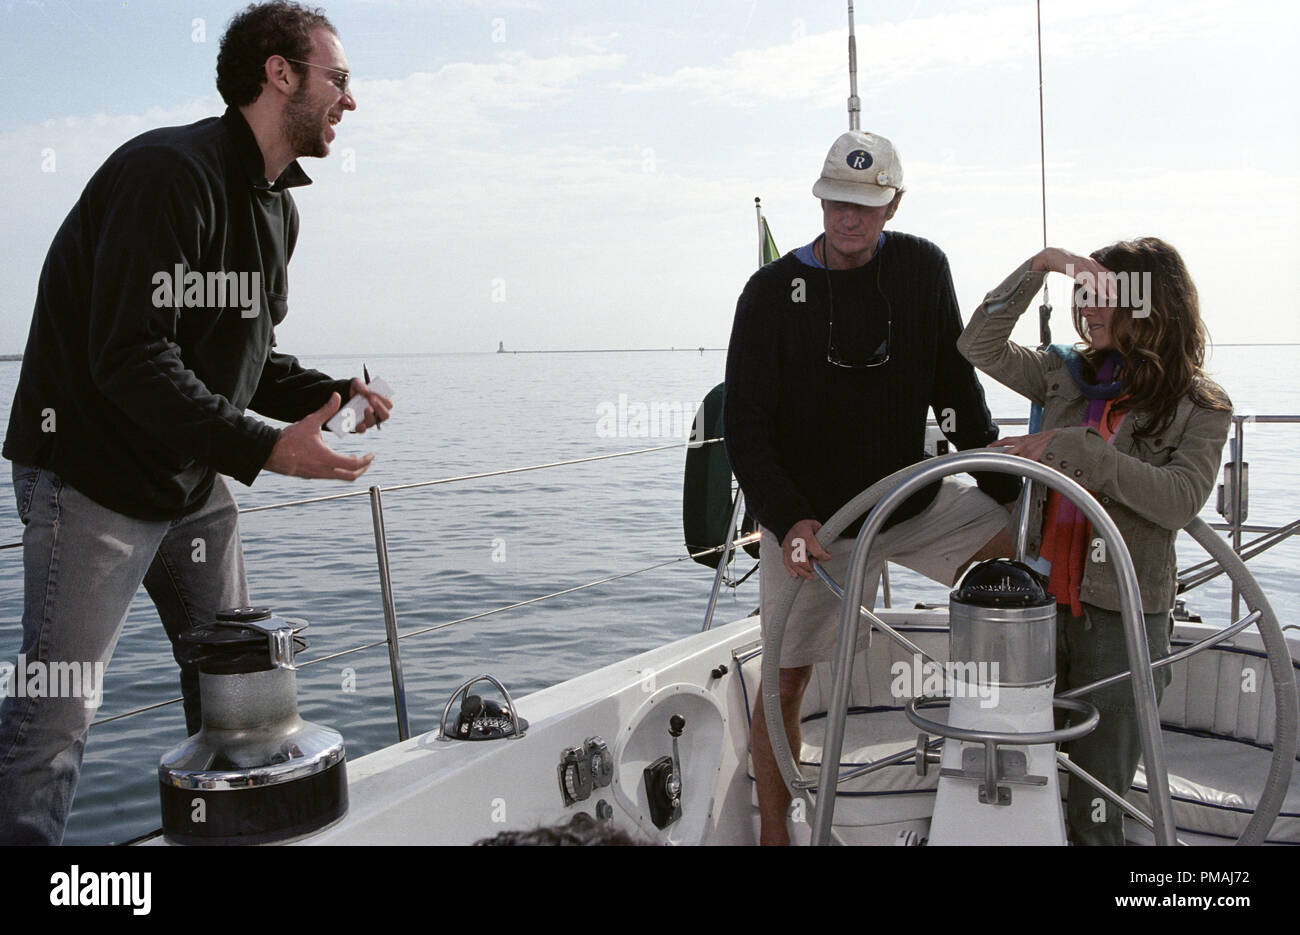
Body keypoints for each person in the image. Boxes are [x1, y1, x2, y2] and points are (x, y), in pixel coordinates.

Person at [0, 1, 393, 845]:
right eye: (341, 79)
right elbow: (130, 355)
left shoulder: (279, 208)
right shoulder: (168, 174)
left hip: (187, 479)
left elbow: (242, 359)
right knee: (55, 718)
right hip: (90, 478)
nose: (350, 101)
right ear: (280, 74)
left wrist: (331, 391)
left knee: (239, 695)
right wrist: (267, 448)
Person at [724, 130, 1022, 846]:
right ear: (820, 198)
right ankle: (775, 832)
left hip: (912, 504)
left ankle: (1019, 735)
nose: (847, 218)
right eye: (835, 201)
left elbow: (955, 395)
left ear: (893, 204)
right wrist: (788, 519)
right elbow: (745, 428)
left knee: (1028, 540)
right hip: (815, 530)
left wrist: (1008, 483)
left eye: (864, 205)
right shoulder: (769, 295)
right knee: (785, 684)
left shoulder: (923, 269)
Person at [958, 238, 1232, 845]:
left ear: (1153, 306)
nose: (1088, 310)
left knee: (1097, 799)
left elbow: (1178, 500)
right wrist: (1042, 265)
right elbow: (976, 344)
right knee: (1018, 776)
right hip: (1036, 609)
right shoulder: (1064, 375)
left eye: (1104, 298)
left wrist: (1081, 452)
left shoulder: (1200, 406)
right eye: (1083, 295)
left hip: (1121, 620)